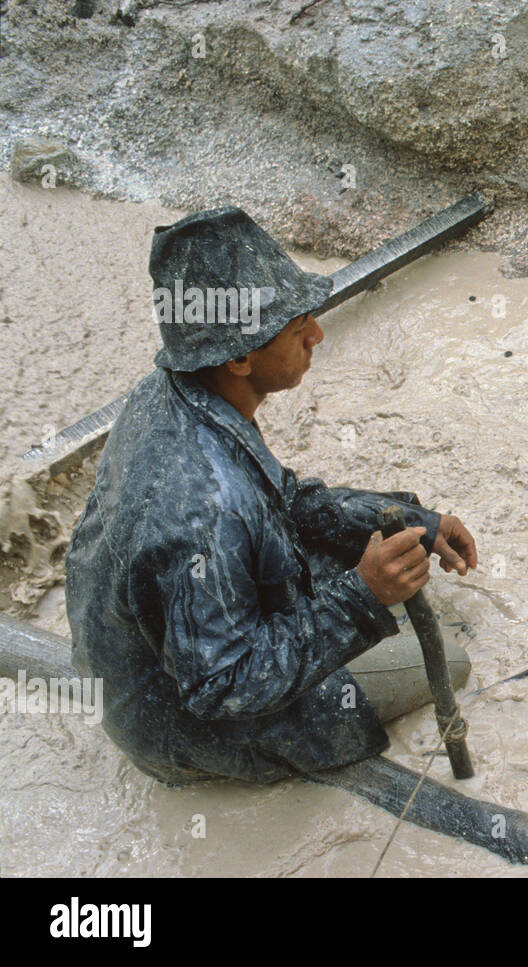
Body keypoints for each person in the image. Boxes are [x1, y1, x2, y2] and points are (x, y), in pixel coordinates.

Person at [64, 207, 478, 785]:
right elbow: (223, 686)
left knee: (338, 555)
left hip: (135, 664)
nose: (317, 334)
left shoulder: (166, 393)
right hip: (182, 729)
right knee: (454, 662)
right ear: (239, 357)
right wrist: (364, 595)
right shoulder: (203, 512)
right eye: (296, 325)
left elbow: (282, 499)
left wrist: (413, 520)